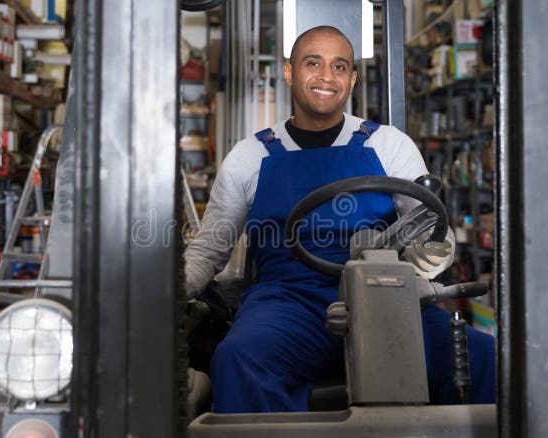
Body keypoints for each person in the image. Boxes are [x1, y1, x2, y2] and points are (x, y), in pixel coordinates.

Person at [184, 25, 495, 414]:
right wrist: (169, 291)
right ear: (289, 72)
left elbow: (432, 228)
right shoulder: (250, 156)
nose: (326, 76)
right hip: (286, 305)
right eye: (313, 63)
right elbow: (210, 248)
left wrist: (430, 256)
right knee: (237, 360)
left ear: (352, 78)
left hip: (385, 297)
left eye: (339, 66)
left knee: (484, 356)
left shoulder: (389, 145)